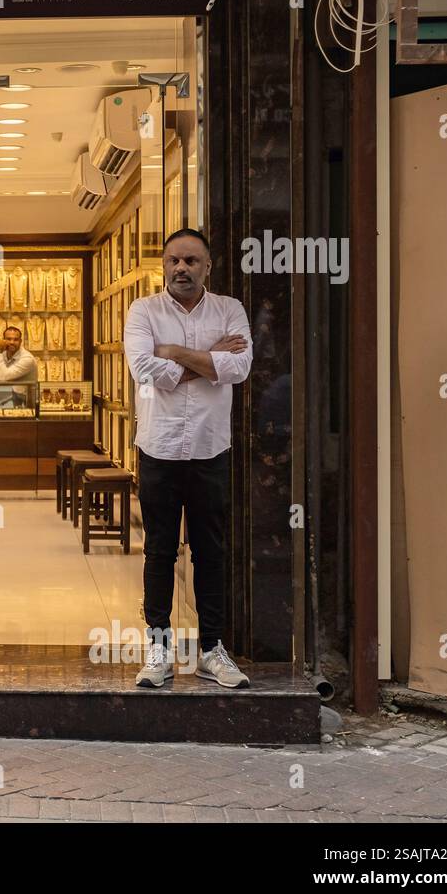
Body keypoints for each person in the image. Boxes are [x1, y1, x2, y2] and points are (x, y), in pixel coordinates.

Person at [123, 228, 253, 690]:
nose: (182, 268)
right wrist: (206, 359)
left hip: (209, 449)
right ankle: (159, 648)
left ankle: (211, 650)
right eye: (175, 261)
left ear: (207, 267)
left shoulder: (229, 310)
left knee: (210, 552)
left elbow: (237, 368)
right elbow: (144, 370)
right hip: (157, 449)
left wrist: (174, 354)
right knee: (159, 551)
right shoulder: (143, 311)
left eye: (192, 261)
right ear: (163, 265)